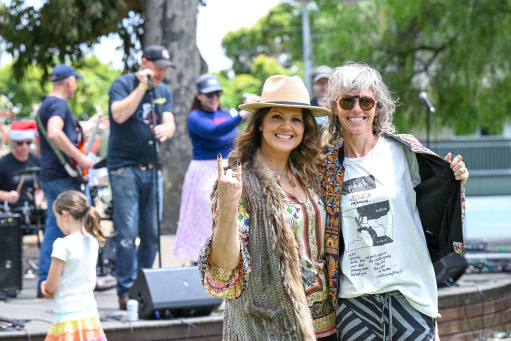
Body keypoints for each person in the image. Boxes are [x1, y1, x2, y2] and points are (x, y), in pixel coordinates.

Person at [319, 62, 469, 341]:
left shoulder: (404, 150)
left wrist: (458, 176)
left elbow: (438, 194)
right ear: (334, 107)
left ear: (377, 107)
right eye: (347, 101)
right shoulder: (326, 167)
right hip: (355, 301)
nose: (356, 109)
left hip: (409, 294)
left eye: (365, 101)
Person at [198, 75, 337, 340]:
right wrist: (228, 206)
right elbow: (224, 271)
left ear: (305, 127)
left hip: (328, 324)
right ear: (260, 124)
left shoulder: (312, 175)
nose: (287, 126)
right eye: (276, 117)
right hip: (270, 325)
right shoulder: (239, 182)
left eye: (296, 119)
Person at [107, 44, 176, 309]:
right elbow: (119, 114)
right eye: (157, 68)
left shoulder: (164, 91)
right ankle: (125, 290)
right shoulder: (122, 84)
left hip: (153, 168)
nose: (160, 74)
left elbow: (169, 122)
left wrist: (166, 129)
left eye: (164, 69)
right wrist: (142, 87)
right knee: (126, 232)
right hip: (124, 169)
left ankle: (142, 284)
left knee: (152, 232)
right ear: (144, 62)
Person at [174, 74, 248, 263]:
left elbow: (232, 137)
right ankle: (199, 259)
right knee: (205, 215)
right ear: (198, 95)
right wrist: (241, 115)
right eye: (209, 94)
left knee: (230, 214)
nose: (214, 98)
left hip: (227, 168)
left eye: (217, 94)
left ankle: (225, 257)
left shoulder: (225, 115)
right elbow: (214, 132)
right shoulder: (195, 117)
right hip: (204, 170)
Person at [37, 64, 94, 297]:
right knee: (66, 227)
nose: (76, 86)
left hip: (52, 174)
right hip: (63, 176)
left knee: (55, 225)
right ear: (69, 81)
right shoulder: (58, 104)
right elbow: (54, 132)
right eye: (75, 81)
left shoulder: (45, 104)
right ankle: (50, 281)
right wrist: (80, 157)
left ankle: (47, 281)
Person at [40, 190, 107, 341]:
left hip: (67, 316)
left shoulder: (62, 244)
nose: (57, 222)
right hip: (90, 315)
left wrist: (45, 286)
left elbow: (51, 285)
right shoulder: (92, 241)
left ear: (65, 215)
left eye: (57, 218)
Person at [0, 120, 40, 210]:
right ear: (14, 142)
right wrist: (6, 196)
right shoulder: (3, 163)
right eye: (20, 143)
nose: (24, 146)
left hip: (33, 211)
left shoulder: (37, 160)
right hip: (9, 212)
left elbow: (44, 185)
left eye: (28, 142)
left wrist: (40, 196)